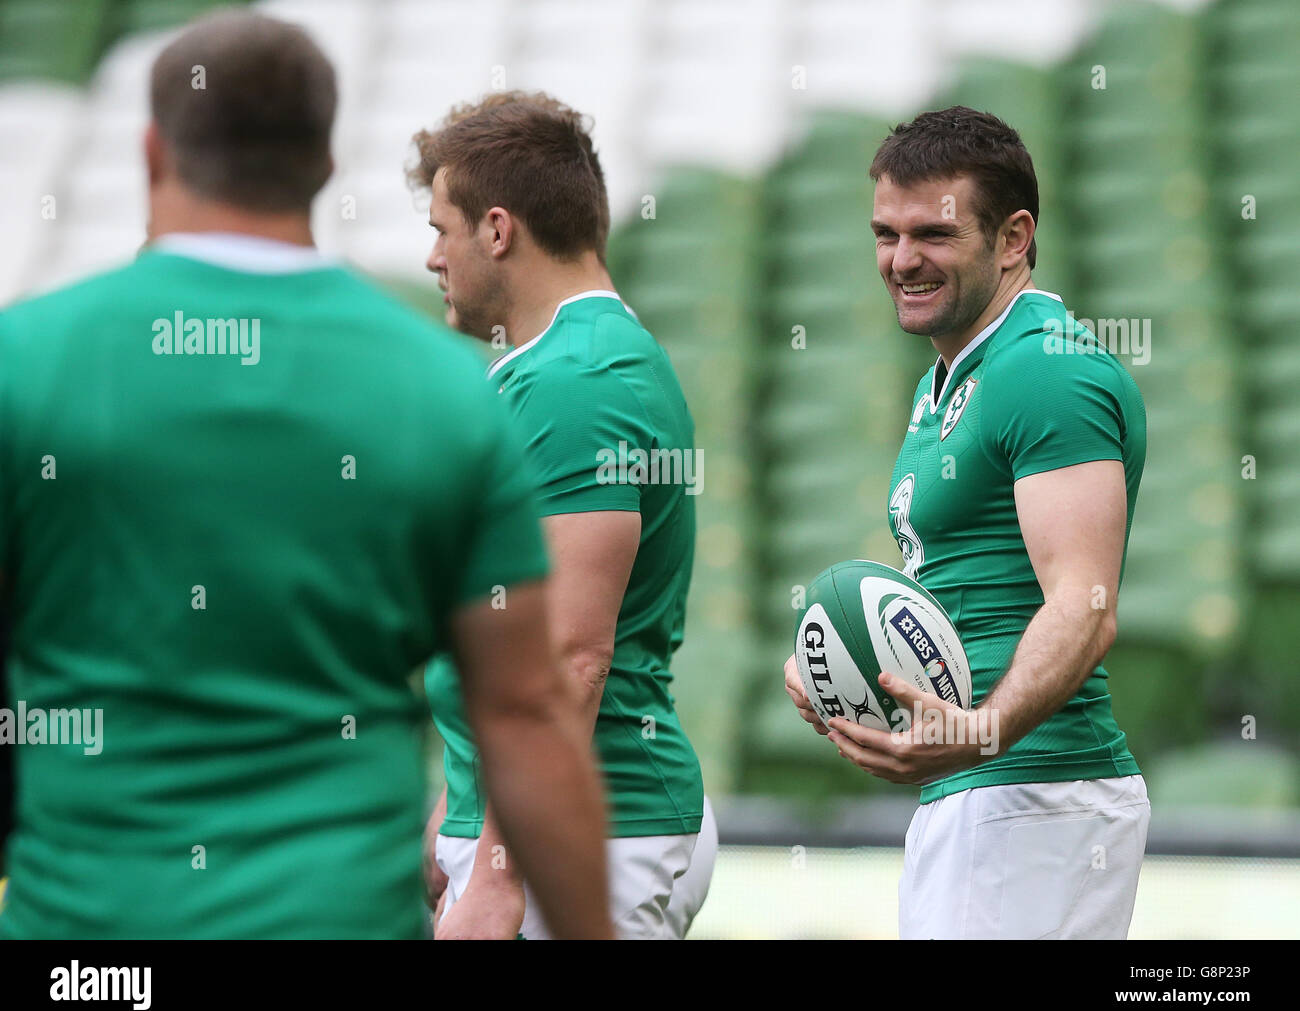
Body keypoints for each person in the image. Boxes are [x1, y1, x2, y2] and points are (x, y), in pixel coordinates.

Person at [0, 11, 610, 940]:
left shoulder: (23, 363)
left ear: (152, 152)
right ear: (325, 165)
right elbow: (524, 713)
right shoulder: (442, 390)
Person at [784, 106, 1150, 939]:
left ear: (1014, 238)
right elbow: (957, 584)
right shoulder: (957, 372)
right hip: (989, 794)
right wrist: (832, 654)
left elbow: (1084, 607)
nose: (902, 260)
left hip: (1034, 793)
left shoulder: (1045, 372)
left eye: (933, 235)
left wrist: (982, 731)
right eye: (886, 234)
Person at [409, 92, 715, 940]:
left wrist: (503, 876)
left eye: (443, 228)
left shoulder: (575, 382)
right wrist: (458, 800)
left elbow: (573, 651)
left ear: (497, 230)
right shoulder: (568, 365)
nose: (432, 256)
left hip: (580, 839)